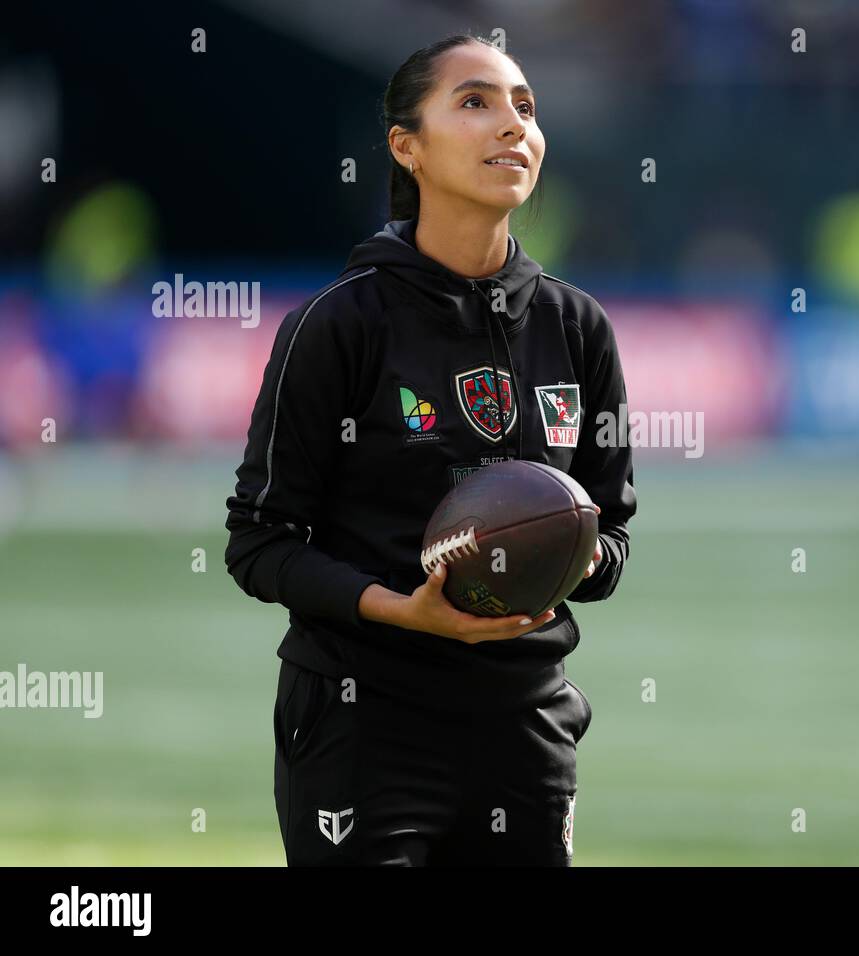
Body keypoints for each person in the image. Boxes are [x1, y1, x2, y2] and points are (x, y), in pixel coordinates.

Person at [223, 34, 635, 866]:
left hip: (526, 726)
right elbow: (261, 543)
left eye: (525, 106)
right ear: (405, 146)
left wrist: (559, 553)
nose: (512, 125)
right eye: (476, 102)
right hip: (361, 723)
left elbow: (614, 542)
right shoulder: (337, 325)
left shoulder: (578, 326)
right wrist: (399, 608)